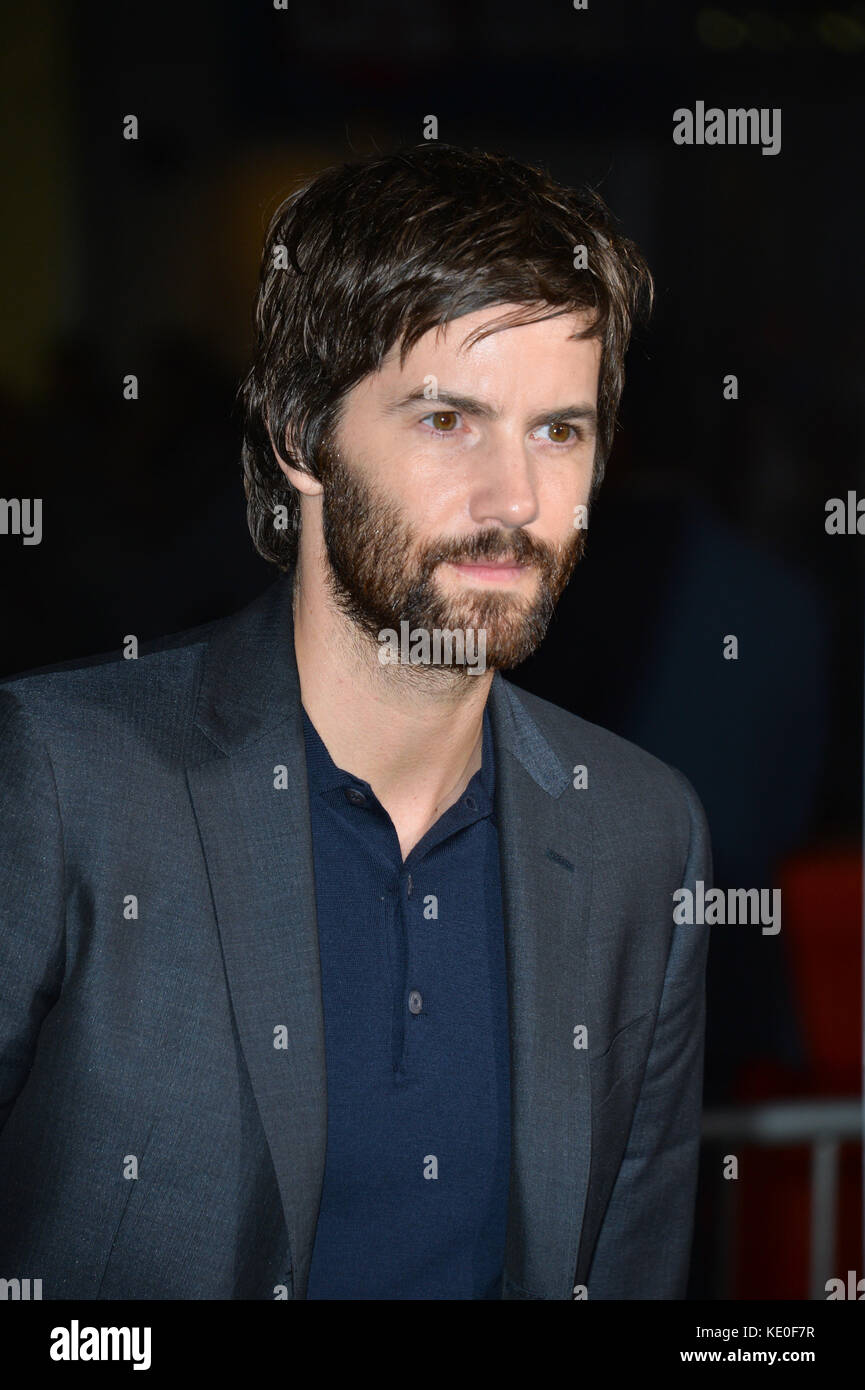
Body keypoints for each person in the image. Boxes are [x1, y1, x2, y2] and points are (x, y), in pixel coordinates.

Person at [0, 143, 711, 1300]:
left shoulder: (641, 833)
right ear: (298, 434)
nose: (515, 500)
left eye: (557, 431)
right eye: (445, 421)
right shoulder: (63, 777)